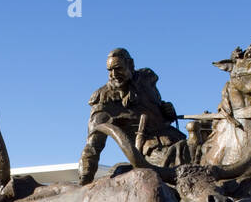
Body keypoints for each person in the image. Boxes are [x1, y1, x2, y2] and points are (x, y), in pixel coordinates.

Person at [79, 48, 191, 184]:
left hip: (177, 139)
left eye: (118, 68)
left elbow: (157, 109)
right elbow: (92, 146)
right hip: (151, 152)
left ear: (130, 65)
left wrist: (166, 110)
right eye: (110, 70)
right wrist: (85, 180)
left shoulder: (146, 79)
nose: (113, 74)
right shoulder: (104, 100)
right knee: (183, 171)